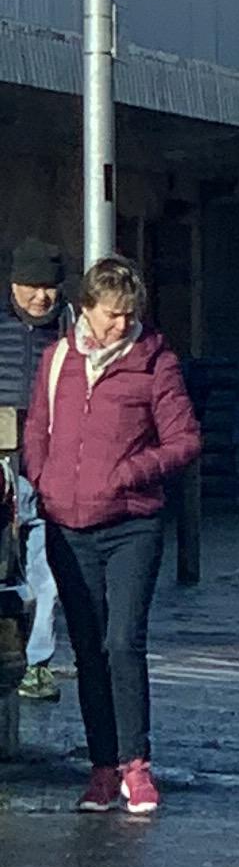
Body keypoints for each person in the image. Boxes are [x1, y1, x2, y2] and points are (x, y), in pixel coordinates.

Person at [23, 253, 198, 816]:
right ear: (88, 309)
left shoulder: (155, 363)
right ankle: (101, 768)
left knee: (124, 642)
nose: (121, 324)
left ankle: (136, 765)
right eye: (112, 314)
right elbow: (37, 428)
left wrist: (128, 474)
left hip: (131, 524)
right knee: (90, 650)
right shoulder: (58, 359)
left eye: (129, 314)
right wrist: (42, 477)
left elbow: (184, 441)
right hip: (67, 526)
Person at [0, 239, 67, 701]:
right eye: (32, 286)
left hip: (49, 460)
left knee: (47, 567)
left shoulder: (69, 330)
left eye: (50, 287)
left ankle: (39, 662)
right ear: (13, 285)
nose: (41, 296)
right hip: (1, 462)